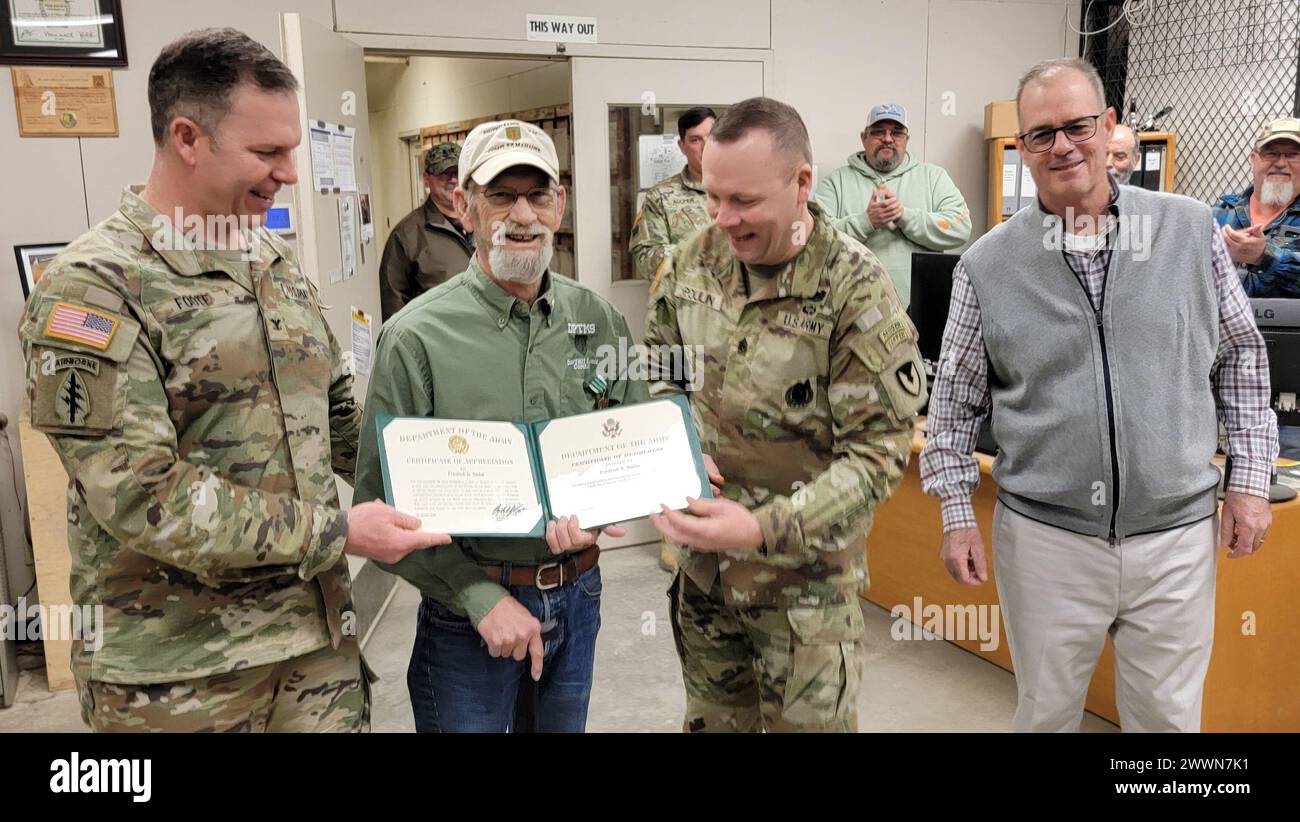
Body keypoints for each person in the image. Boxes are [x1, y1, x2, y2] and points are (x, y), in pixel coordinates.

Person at [16, 28, 448, 733]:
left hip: (317, 654)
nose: (287, 174)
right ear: (188, 137)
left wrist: (459, 482)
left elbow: (337, 415)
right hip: (181, 674)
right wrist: (339, 531)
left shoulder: (271, 260)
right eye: (267, 153)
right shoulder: (90, 290)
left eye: (291, 153)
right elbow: (139, 492)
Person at [921, 57, 1278, 732]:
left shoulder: (1187, 230)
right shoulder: (988, 265)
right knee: (1047, 714)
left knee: (1169, 723)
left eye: (1078, 126)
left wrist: (1251, 482)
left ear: (1109, 126)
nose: (1062, 145)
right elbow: (954, 401)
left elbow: (1241, 360)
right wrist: (955, 513)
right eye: (1041, 133)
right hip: (1046, 539)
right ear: (1021, 147)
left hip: (1174, 537)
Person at [353, 119, 649, 732]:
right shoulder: (414, 338)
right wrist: (477, 598)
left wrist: (605, 508)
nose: (522, 213)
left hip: (579, 595)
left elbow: (632, 442)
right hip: (468, 615)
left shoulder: (598, 319)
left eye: (538, 194)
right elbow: (379, 507)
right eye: (500, 195)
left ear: (559, 204)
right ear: (463, 205)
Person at [644, 97, 926, 732]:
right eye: (713, 197)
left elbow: (877, 456)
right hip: (706, 585)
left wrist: (761, 527)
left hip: (806, 599)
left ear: (802, 183)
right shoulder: (693, 261)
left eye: (744, 201)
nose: (724, 218)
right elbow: (662, 370)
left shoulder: (854, 287)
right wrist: (676, 436)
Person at [813, 103, 971, 305]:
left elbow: (961, 227)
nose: (887, 139)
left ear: (907, 139)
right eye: (879, 132)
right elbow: (815, 238)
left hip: (919, 309)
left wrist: (904, 217)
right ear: (864, 138)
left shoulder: (933, 177)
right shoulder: (837, 183)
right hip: (850, 309)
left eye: (896, 133)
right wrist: (865, 222)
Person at [1214, 116, 1300, 458]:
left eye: (1292, 154)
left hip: (1291, 401)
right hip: (1220, 389)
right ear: (1254, 159)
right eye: (1271, 153)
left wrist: (1267, 255)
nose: (1280, 162)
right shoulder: (1222, 212)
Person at [378, 141, 474, 320]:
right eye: (444, 173)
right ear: (426, 179)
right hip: (436, 342)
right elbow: (393, 304)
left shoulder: (483, 221)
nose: (453, 179)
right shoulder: (407, 235)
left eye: (457, 172)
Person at [629, 106, 716, 282]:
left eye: (712, 137)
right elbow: (647, 259)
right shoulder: (660, 196)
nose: (706, 146)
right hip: (687, 306)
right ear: (682, 146)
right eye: (695, 140)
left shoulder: (743, 189)